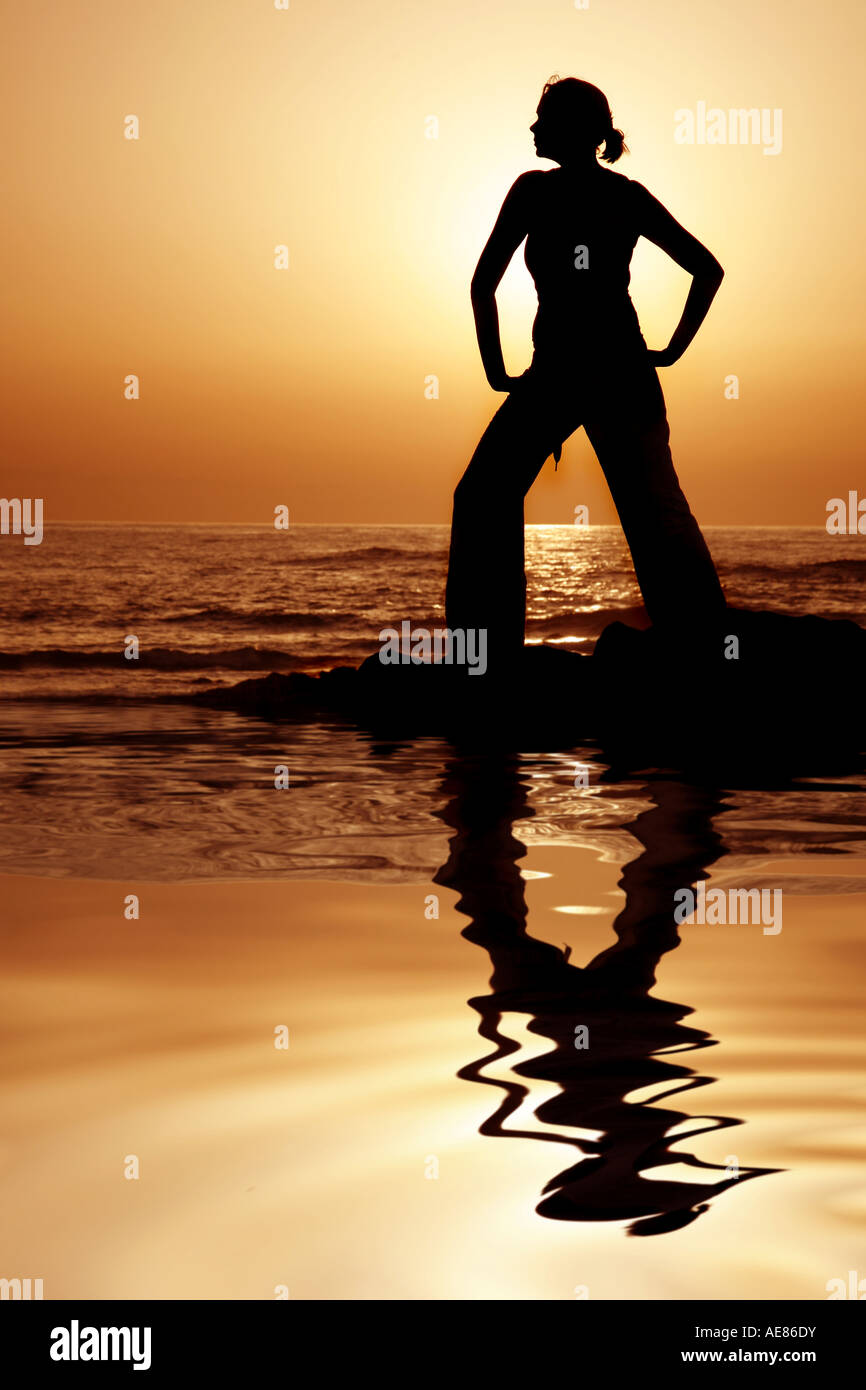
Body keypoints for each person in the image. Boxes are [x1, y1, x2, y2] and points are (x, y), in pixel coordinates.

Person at [445, 76, 727, 666]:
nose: (532, 127)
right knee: (655, 513)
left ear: (572, 128)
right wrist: (669, 351)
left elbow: (482, 285)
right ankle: (704, 648)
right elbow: (706, 270)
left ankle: (485, 658)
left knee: (486, 495)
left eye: (542, 116)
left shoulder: (534, 192)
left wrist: (498, 371)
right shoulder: (625, 196)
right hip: (616, 370)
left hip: (566, 375)